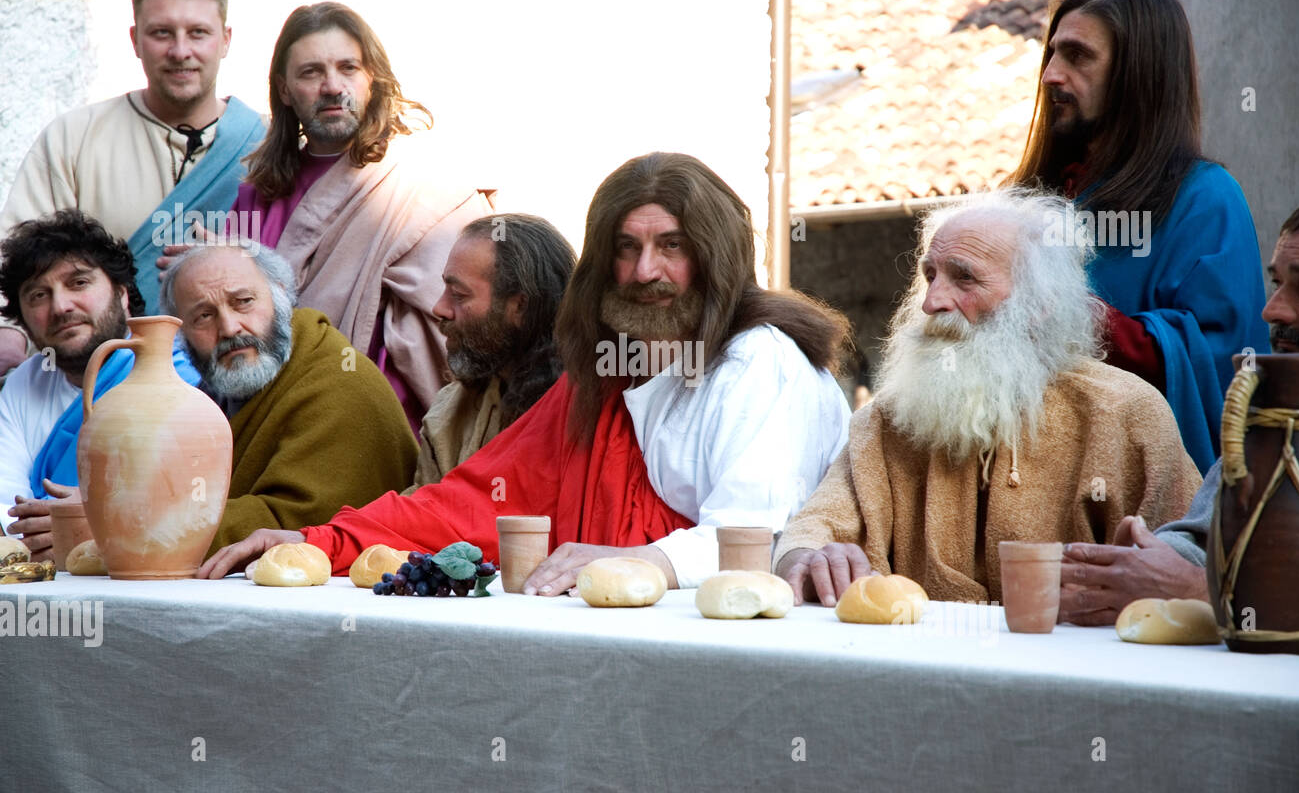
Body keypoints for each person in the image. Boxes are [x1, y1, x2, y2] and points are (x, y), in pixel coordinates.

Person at [199, 152, 852, 590]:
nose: (645, 271)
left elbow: (754, 543)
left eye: (672, 247)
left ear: (715, 257)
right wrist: (317, 541)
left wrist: (641, 561)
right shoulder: (606, 376)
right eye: (626, 248)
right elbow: (468, 503)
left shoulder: (761, 361)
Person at [773, 189, 1201, 607]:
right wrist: (810, 557)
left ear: (1040, 303)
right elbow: (813, 530)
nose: (932, 301)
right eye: (930, 276)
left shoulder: (1124, 413)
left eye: (964, 278)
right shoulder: (890, 418)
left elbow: (1187, 568)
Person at [1008, 0, 1269, 474]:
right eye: (1052, 54)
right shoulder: (1033, 197)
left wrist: (1078, 319)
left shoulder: (1206, 198)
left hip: (1141, 501)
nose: (1050, 76)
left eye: (1077, 56)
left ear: (1138, 75)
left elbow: (1224, 365)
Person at [218, 2, 494, 427]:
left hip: (404, 434)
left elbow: (477, 316)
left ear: (372, 80)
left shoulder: (426, 184)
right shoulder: (255, 199)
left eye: (348, 68)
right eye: (311, 72)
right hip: (282, 429)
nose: (332, 86)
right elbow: (232, 323)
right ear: (285, 90)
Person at [0, 0, 264, 369]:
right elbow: (16, 257)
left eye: (198, 32)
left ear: (225, 40)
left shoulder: (268, 147)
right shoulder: (74, 137)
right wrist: (11, 337)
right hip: (99, 384)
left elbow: (300, 270)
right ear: (135, 40)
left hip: (239, 376)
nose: (180, 51)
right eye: (161, 33)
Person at [1059, 207, 1299, 624]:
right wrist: (1134, 562)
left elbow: (1195, 579)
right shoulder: (1275, 423)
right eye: (1276, 284)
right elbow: (1204, 538)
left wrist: (1196, 590)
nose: (1272, 311)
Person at [159, 243, 416, 554]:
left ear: (280, 295)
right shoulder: (206, 398)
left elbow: (294, 523)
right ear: (181, 332)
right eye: (203, 316)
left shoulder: (339, 381)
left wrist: (148, 526)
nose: (228, 328)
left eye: (243, 302)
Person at [0, 210, 198, 551]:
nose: (61, 306)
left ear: (122, 293)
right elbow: (6, 503)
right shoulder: (26, 382)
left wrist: (100, 520)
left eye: (78, 282)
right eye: (37, 295)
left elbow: (190, 493)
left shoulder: (178, 370)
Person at [409, 213, 576, 488]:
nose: (439, 308)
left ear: (519, 307)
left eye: (459, 295)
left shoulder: (583, 412)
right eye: (445, 289)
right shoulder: (449, 410)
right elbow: (421, 508)